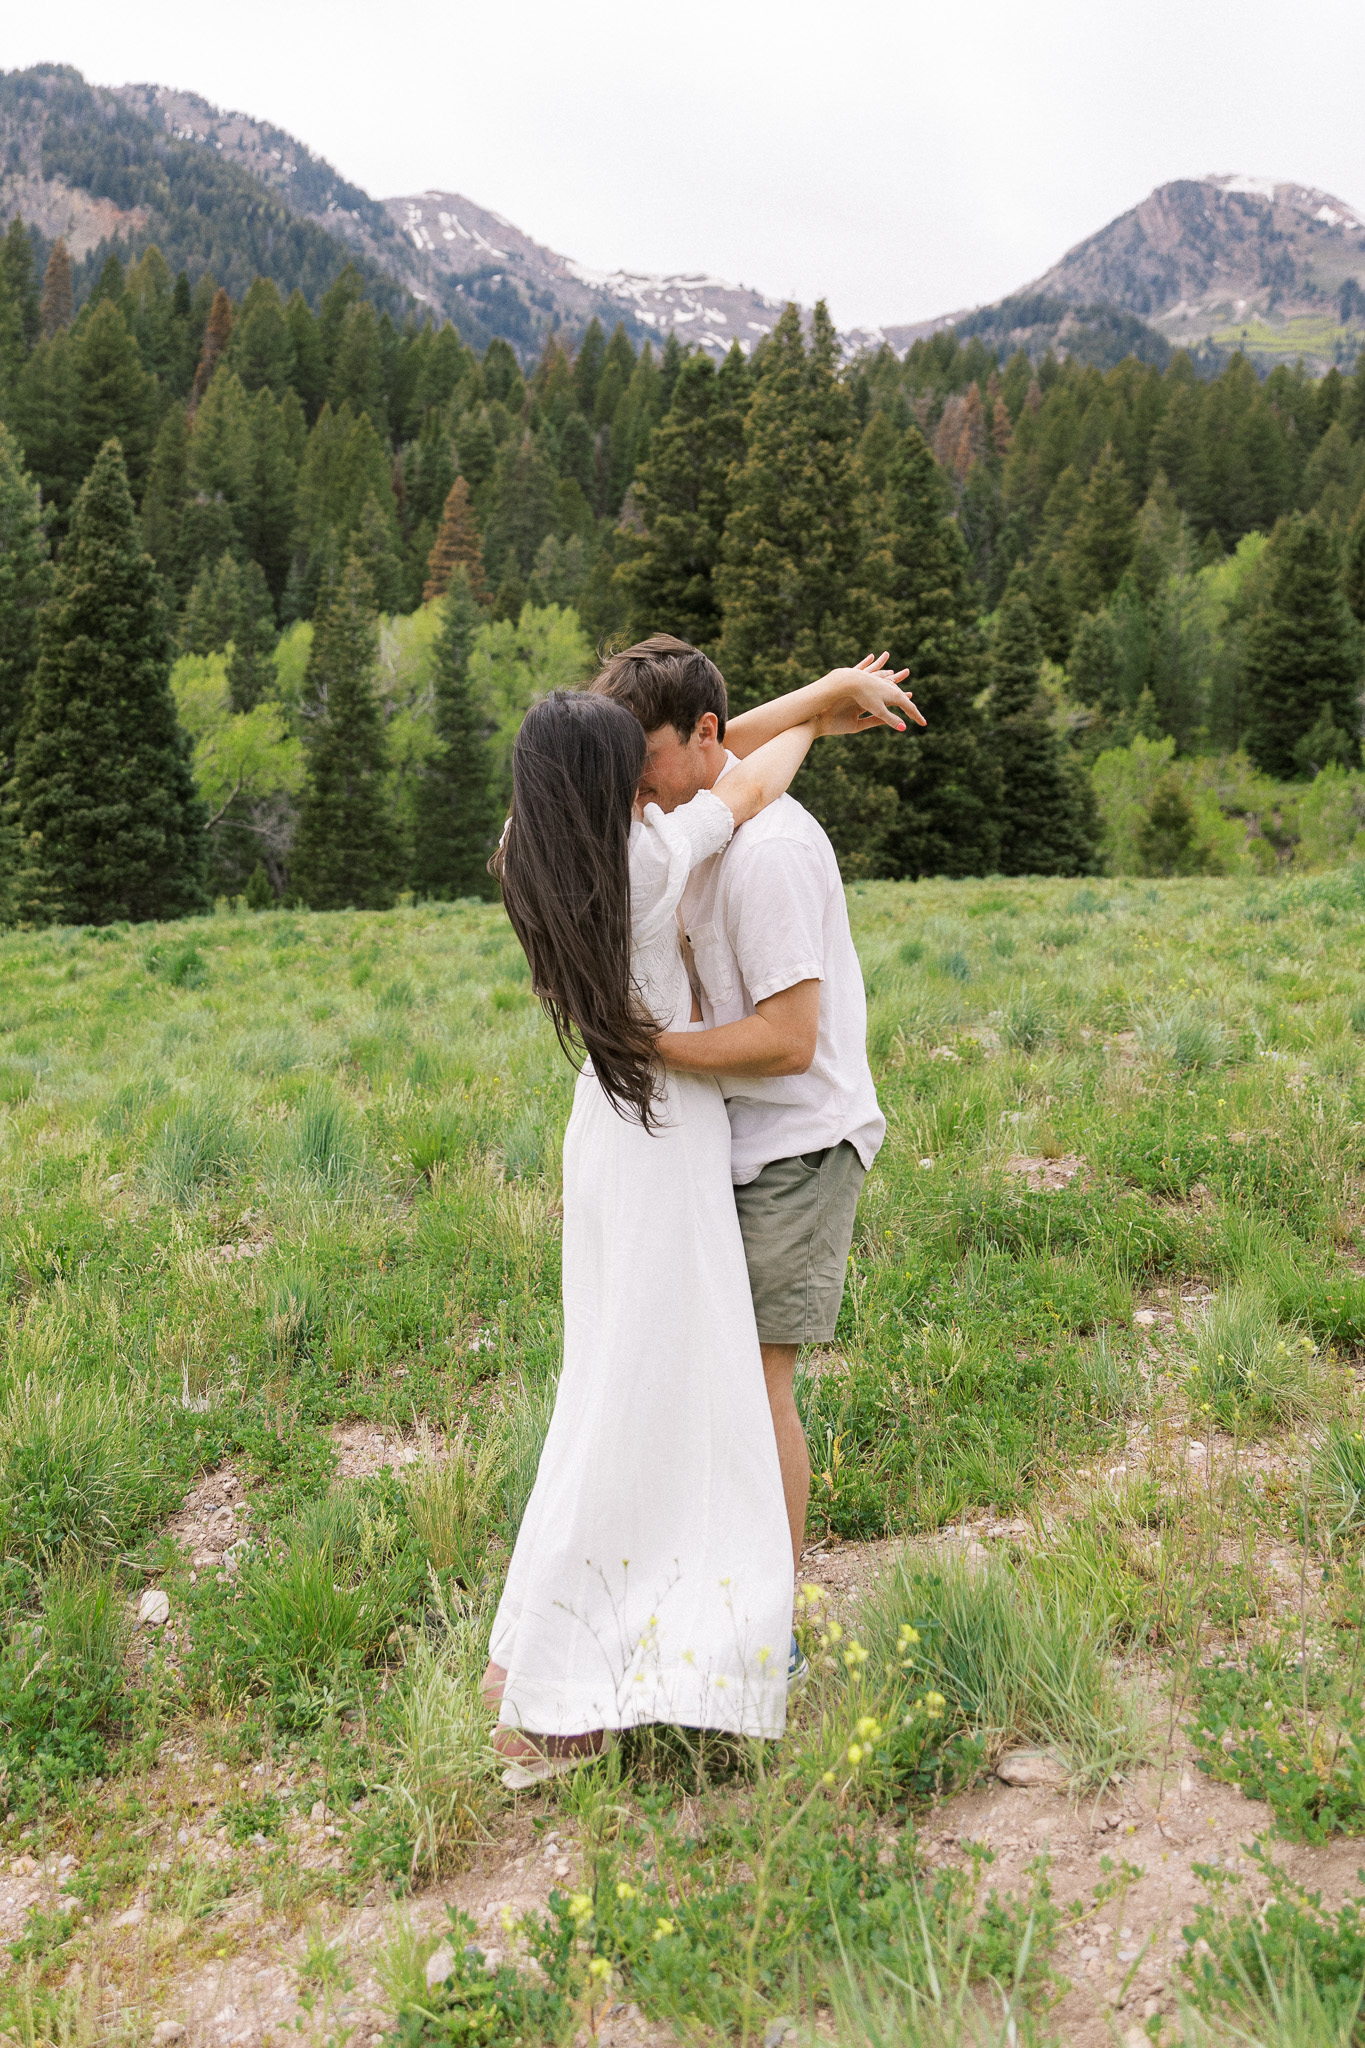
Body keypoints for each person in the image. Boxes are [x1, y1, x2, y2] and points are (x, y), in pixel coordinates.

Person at [482, 660, 919, 1784]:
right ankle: (614, 1666)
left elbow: (714, 756)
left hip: (608, 1134)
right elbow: (744, 778)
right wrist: (817, 713)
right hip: (667, 1129)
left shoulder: (537, 853)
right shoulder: (648, 857)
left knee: (611, 1379)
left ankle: (577, 1635)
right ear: (614, 787)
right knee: (657, 1390)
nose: (648, 780)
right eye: (628, 769)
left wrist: (817, 697)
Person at [594, 638, 920, 1628]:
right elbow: (734, 748)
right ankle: (714, 1580)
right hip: (727, 1139)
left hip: (798, 1140)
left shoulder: (772, 852)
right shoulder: (687, 810)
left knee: (758, 1381)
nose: (631, 785)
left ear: (698, 736)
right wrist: (820, 699)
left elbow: (786, 1041)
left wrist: (645, 1048)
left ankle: (766, 1621)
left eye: (641, 758)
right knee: (710, 1374)